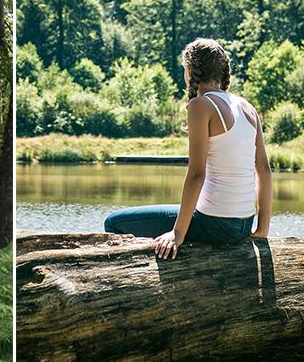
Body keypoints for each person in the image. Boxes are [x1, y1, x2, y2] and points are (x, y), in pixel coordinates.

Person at [103, 38, 273, 259]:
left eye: (185, 68)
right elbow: (264, 170)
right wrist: (262, 229)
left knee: (114, 222)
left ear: (191, 70)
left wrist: (177, 233)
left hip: (215, 224)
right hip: (242, 225)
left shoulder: (201, 106)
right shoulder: (247, 107)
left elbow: (196, 174)